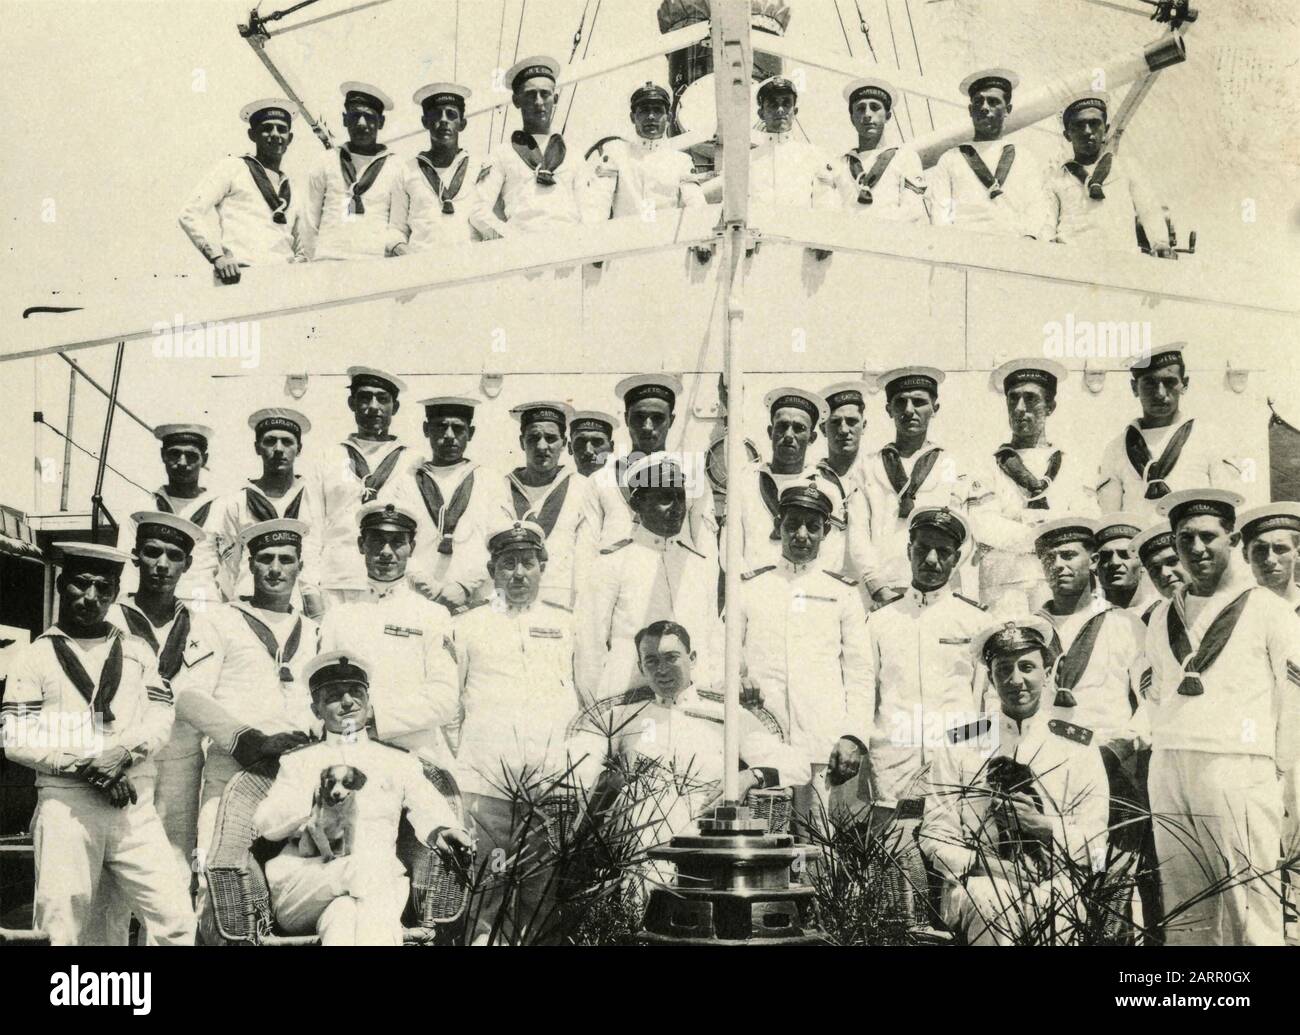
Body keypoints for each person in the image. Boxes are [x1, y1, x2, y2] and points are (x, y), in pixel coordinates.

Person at [1, 544, 194, 946]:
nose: (90, 598)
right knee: (62, 924)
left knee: (174, 917)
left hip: (131, 804)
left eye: (102, 588)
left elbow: (160, 719)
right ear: (61, 585)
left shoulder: (139, 653)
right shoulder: (34, 656)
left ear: (114, 593)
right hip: (67, 806)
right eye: (81, 584)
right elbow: (15, 737)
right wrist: (84, 765)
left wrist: (122, 756)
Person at [1144, 488, 1300, 945]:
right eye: (1184, 538)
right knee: (1185, 908)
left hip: (1237, 766)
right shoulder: (1160, 617)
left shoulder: (1268, 610)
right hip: (1171, 762)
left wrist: (1281, 774)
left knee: (1250, 907)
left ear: (1231, 539)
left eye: (1208, 537)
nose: (1196, 549)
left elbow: (1293, 701)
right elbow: (1154, 694)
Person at [253, 651, 471, 946]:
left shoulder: (398, 761)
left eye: (356, 692)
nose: (347, 702)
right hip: (306, 884)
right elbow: (265, 825)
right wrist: (312, 800)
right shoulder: (299, 762)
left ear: (369, 704)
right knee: (372, 873)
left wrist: (444, 829)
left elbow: (429, 806)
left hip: (368, 892)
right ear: (315, 709)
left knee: (345, 917)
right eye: (333, 696)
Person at [919, 616, 1110, 945]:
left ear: (1047, 673)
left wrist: (1044, 827)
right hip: (978, 882)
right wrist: (987, 866)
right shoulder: (961, 742)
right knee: (993, 900)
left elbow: (1097, 848)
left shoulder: (1077, 746)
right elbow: (934, 835)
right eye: (1003, 669)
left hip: (1057, 879)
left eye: (1027, 667)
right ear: (991, 680)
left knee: (1058, 904)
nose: (1015, 679)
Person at [449, 520, 581, 943]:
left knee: (540, 901)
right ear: (492, 571)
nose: (519, 573)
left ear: (543, 567)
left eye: (528, 562)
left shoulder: (566, 626)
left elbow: (578, 704)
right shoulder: (467, 626)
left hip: (547, 786)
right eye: (508, 564)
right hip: (485, 787)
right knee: (485, 897)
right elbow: (452, 709)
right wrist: (464, 770)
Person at [178, 519, 319, 867]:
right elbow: (189, 696)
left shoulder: (316, 630)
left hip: (294, 777)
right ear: (249, 564)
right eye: (265, 559)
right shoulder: (218, 620)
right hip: (234, 769)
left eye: (286, 560)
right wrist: (249, 741)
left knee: (288, 880)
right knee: (218, 881)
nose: (275, 569)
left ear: (300, 566)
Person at [735, 482, 871, 818]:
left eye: (812, 527)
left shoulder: (843, 593)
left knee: (818, 852)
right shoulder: (750, 588)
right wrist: (738, 680)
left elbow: (860, 674)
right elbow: (722, 654)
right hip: (762, 743)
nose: (801, 535)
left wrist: (852, 736)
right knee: (762, 845)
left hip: (822, 745)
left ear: (825, 531)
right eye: (792, 524)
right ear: (778, 525)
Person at [110, 513, 217, 890]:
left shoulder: (206, 625)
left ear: (187, 564)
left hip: (181, 763)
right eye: (152, 552)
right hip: (125, 761)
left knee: (173, 872)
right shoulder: (109, 620)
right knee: (118, 874)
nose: (162, 564)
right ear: (136, 556)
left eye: (174, 556)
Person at [854, 507, 987, 806]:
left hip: (956, 767)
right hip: (893, 764)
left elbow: (984, 700)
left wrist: (967, 751)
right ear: (908, 550)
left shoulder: (975, 622)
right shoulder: (880, 622)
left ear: (956, 558)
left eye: (943, 552)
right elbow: (864, 694)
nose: (931, 560)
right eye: (922, 549)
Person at [576, 452, 720, 702]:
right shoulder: (611, 564)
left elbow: (712, 640)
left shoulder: (697, 565)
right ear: (637, 504)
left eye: (680, 497)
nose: (677, 508)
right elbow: (590, 647)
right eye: (665, 498)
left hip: (696, 705)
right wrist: (599, 712)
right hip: (630, 703)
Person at [318, 502, 459, 757]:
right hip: (351, 756)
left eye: (397, 542)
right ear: (361, 545)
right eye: (377, 542)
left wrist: (374, 717)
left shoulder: (433, 616)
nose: (386, 552)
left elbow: (444, 700)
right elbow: (323, 691)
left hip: (414, 754)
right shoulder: (337, 617)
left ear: (411, 548)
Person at [968, 358, 1097, 614]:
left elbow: (1086, 521)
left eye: (1031, 399)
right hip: (1003, 585)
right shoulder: (988, 466)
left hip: (1059, 582)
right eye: (1013, 399)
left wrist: (1018, 528)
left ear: (1050, 406)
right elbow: (984, 525)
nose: (1019, 408)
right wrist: (1048, 531)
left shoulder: (1073, 465)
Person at [853, 367, 971, 606]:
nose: (909, 410)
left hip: (940, 589)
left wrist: (937, 581)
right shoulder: (868, 466)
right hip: (884, 591)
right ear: (889, 409)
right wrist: (876, 585)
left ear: (935, 409)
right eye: (900, 403)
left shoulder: (952, 464)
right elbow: (858, 534)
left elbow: (965, 532)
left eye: (919, 402)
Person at [576, 374, 716, 562]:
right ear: (626, 419)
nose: (647, 427)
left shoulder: (692, 476)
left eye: (657, 418)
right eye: (639, 418)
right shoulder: (602, 480)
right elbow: (585, 551)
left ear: (671, 420)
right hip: (617, 585)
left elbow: (707, 550)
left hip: (673, 584)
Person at [1097, 343, 1243, 524]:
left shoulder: (1210, 439)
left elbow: (1231, 512)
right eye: (1149, 383)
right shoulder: (1116, 449)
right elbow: (1110, 519)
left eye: (1169, 382)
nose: (1160, 393)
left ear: (1185, 384)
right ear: (1134, 388)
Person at [388, 396, 509, 613]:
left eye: (458, 428)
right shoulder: (406, 481)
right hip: (420, 599)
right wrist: (430, 590)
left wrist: (464, 587)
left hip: (475, 600)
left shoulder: (490, 480)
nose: (449, 436)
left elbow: (500, 544)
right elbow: (398, 542)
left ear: (470, 433)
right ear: (426, 429)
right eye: (441, 427)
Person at [309, 368, 413, 610]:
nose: (373, 406)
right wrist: (309, 587)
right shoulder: (327, 457)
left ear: (394, 407)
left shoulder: (413, 461)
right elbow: (312, 526)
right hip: (336, 582)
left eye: (382, 399)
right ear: (351, 403)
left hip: (394, 584)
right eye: (365, 398)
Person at [729, 387, 856, 575]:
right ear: (770, 432)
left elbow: (833, 555)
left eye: (799, 428)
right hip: (753, 593)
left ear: (812, 437)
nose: (789, 435)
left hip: (808, 592)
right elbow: (729, 550)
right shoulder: (745, 481)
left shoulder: (826, 487)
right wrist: (754, 588)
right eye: (782, 426)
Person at [178, 99, 305, 284]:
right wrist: (217, 257)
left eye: (282, 129)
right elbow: (189, 213)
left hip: (283, 283)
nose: (275, 134)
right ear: (252, 135)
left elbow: (303, 247)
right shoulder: (233, 168)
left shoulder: (294, 187)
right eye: (267, 128)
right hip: (243, 278)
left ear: (290, 138)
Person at [470, 56, 597, 238]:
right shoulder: (502, 154)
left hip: (568, 253)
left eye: (544, 94)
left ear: (555, 98)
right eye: (530, 95)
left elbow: (590, 211)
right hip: (523, 252)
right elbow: (478, 210)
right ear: (516, 101)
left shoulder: (574, 154)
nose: (538, 102)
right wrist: (509, 239)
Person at [212, 407, 322, 610]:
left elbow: (318, 557)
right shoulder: (236, 502)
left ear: (299, 448)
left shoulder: (314, 498)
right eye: (270, 441)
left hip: (303, 606)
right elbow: (228, 568)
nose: (279, 448)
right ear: (257, 447)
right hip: (249, 604)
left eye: (287, 442)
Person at [1038, 92, 1171, 256]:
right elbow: (1046, 223)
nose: (1087, 131)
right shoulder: (1055, 178)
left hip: (1120, 262)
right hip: (1072, 263)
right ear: (1067, 135)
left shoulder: (1127, 167)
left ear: (1106, 130)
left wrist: (1160, 243)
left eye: (1094, 124)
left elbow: (1149, 209)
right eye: (1079, 125)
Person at [929, 68, 1047, 239]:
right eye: (978, 102)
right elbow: (940, 213)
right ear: (970, 110)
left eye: (993, 102)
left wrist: (1028, 239)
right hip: (964, 248)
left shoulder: (1024, 158)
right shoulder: (950, 159)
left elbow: (1036, 206)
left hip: (1013, 249)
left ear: (1008, 109)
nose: (984, 107)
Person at [302, 82, 401, 260]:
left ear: (381, 122)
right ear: (345, 119)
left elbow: (397, 225)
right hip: (329, 263)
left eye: (369, 117)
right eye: (355, 116)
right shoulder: (325, 161)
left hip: (374, 264)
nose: (362, 123)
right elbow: (309, 222)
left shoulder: (396, 166)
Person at [502, 401, 585, 609]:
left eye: (550, 438)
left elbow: (587, 559)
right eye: (533, 438)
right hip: (509, 604)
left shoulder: (582, 488)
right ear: (522, 442)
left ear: (564, 443)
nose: (541, 446)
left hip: (563, 603)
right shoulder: (500, 487)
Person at [585, 82, 704, 221]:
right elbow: (598, 204)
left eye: (658, 110)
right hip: (625, 239)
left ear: (669, 118)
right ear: (632, 118)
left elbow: (697, 206)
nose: (651, 116)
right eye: (644, 111)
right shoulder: (616, 154)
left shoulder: (681, 162)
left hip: (667, 238)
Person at [388, 83, 481, 253]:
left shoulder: (480, 166)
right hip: (423, 267)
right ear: (425, 122)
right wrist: (402, 250)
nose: (444, 120)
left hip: (470, 266)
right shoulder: (406, 171)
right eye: (437, 114)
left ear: (462, 123)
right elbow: (396, 229)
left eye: (451, 114)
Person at [136, 423, 222, 605]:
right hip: (152, 603)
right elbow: (129, 563)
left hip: (203, 602)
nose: (182, 463)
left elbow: (230, 567)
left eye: (191, 456)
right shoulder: (144, 506)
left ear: (204, 459)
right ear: (163, 455)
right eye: (175, 454)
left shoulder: (221, 506)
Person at [828, 77, 927, 223]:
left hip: (888, 241)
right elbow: (830, 212)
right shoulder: (839, 164)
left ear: (887, 116)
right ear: (852, 119)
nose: (867, 114)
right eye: (860, 109)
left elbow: (912, 210)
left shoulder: (905, 158)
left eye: (875, 107)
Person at [743, 77, 837, 211]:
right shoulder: (747, 161)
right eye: (773, 104)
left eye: (786, 104)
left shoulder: (814, 156)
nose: (780, 110)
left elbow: (825, 206)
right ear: (761, 113)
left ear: (795, 112)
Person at [1239, 502, 1300, 610]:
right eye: (1260, 550)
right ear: (1245, 555)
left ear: (1298, 553)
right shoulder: (1238, 610)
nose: (1270, 559)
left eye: (1280, 549)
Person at [1129, 523, 1187, 625]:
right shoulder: (1155, 619)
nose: (1164, 573)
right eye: (1155, 569)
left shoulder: (1219, 602)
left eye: (1172, 562)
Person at [1094, 513, 1153, 611]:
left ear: (1143, 563)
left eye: (1125, 555)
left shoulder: (1160, 615)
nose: (1115, 562)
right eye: (1106, 556)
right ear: (1095, 566)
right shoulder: (1086, 618)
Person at [568, 410, 618, 478]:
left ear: (611, 447)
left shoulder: (623, 485)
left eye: (597, 442)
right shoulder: (563, 485)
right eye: (581, 443)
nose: (588, 451)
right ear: (570, 447)